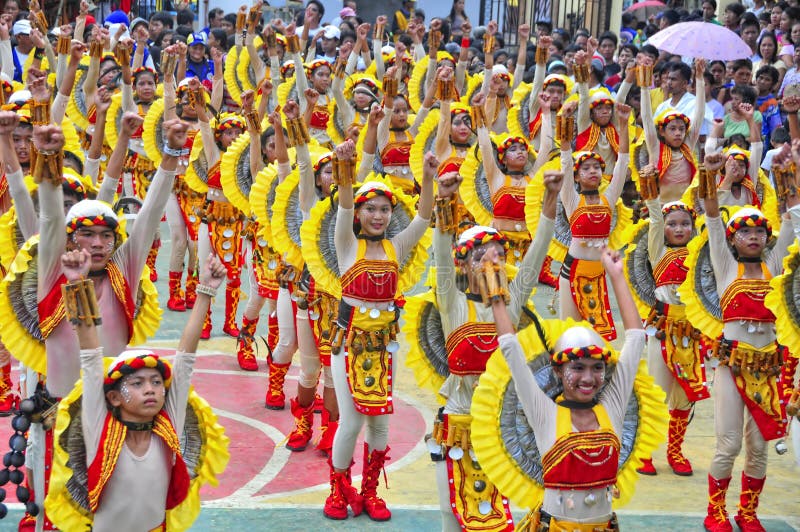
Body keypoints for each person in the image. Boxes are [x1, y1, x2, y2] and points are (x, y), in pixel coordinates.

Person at [44, 251, 228, 531]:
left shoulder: (169, 429)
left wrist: (205, 292)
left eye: (156, 382)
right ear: (114, 397)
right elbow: (91, 355)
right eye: (138, 383)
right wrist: (78, 281)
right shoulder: (99, 430)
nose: (151, 389)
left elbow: (185, 358)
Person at [429, 164, 560, 531]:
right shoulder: (451, 301)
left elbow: (536, 257)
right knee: (451, 511)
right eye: (480, 257)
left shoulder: (511, 304)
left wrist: (550, 198)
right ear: (464, 266)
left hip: (499, 424)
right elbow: (441, 250)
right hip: (458, 420)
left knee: (496, 513)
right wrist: (443, 199)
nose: (491, 262)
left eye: (498, 256)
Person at [488, 245, 646, 530]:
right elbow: (510, 347)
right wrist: (494, 287)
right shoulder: (544, 413)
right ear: (559, 371)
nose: (589, 378)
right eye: (577, 368)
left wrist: (617, 277)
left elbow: (635, 338)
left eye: (597, 368)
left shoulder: (613, 406)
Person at [324, 139, 433, 521]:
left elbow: (423, 218)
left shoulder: (396, 247)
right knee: (352, 420)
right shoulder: (346, 245)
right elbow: (344, 205)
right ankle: (339, 489)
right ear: (360, 214)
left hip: (383, 347)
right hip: (348, 343)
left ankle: (370, 492)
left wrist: (431, 177)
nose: (378, 215)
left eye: (385, 209)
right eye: (371, 208)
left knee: (381, 423)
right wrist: (346, 168)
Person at [695, 150, 799, 532]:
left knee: (758, 449)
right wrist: (709, 174)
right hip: (731, 366)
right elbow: (709, 215)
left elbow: (790, 218)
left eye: (759, 232)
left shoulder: (774, 268)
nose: (754, 237)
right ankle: (716, 511)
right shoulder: (724, 262)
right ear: (733, 239)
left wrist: (790, 170)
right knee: (728, 444)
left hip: (768, 369)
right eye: (746, 232)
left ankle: (748, 512)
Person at [635, 167, 710, 477]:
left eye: (685, 224)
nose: (679, 229)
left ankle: (675, 450)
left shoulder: (700, 254)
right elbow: (654, 218)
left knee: (685, 396)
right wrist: (652, 191)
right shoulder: (658, 251)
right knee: (657, 392)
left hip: (692, 334)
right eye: (672, 224)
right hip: (663, 332)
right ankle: (644, 451)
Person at [557, 102, 631, 341]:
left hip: (600, 273)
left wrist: (623, 124)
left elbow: (622, 163)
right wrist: (565, 122)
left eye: (597, 168)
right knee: (571, 331)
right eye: (586, 168)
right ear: (577, 177)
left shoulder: (609, 198)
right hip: (572, 270)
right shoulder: (571, 198)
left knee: (598, 335)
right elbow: (566, 160)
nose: (593, 172)